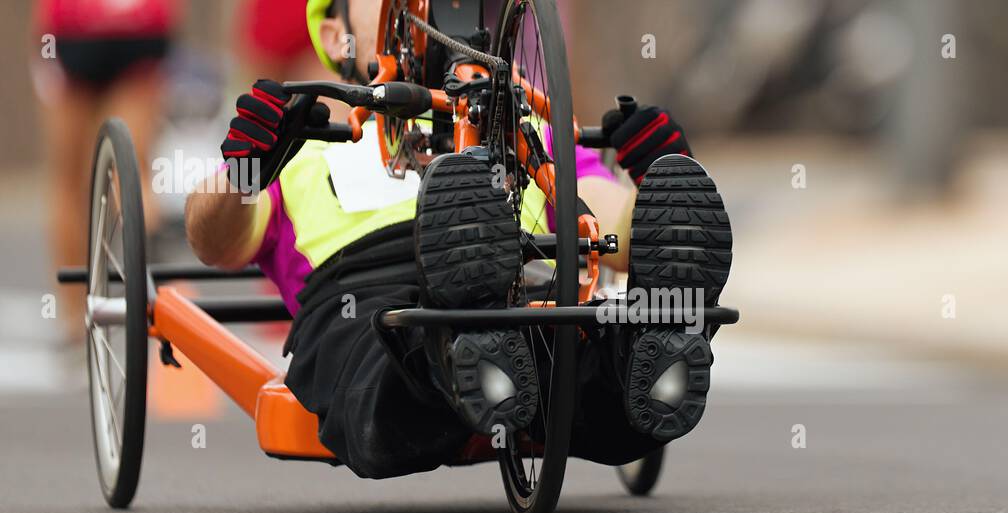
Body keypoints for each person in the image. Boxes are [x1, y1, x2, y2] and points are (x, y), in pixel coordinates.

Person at [184, 0, 732, 479]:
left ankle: (650, 347)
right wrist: (246, 173)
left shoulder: (529, 132)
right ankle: (462, 336)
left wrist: (660, 178)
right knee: (382, 373)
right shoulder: (300, 147)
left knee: (582, 354)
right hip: (364, 304)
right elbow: (214, 242)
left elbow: (612, 230)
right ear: (335, 34)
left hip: (520, 292)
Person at [34, 0, 181, 345]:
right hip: (140, 25)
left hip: (73, 28)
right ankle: (147, 275)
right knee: (133, 169)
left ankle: (74, 318)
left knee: (67, 182)